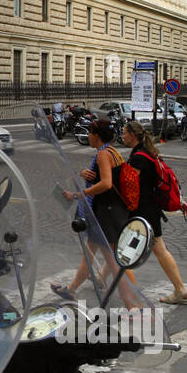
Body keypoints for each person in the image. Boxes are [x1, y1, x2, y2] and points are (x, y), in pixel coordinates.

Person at [51, 118, 133, 298]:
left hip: (106, 213)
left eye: (89, 133)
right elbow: (104, 178)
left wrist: (79, 194)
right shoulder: (112, 152)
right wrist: (82, 175)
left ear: (96, 136)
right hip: (110, 211)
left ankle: (133, 303)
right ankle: (71, 290)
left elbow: (106, 183)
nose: (87, 136)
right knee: (91, 255)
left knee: (114, 261)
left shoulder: (103, 154)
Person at [122, 120, 187, 304]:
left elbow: (129, 185)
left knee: (121, 248)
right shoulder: (147, 152)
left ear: (132, 135)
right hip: (150, 208)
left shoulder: (139, 158)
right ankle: (180, 289)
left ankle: (179, 289)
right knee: (155, 248)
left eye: (124, 133)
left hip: (141, 210)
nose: (122, 136)